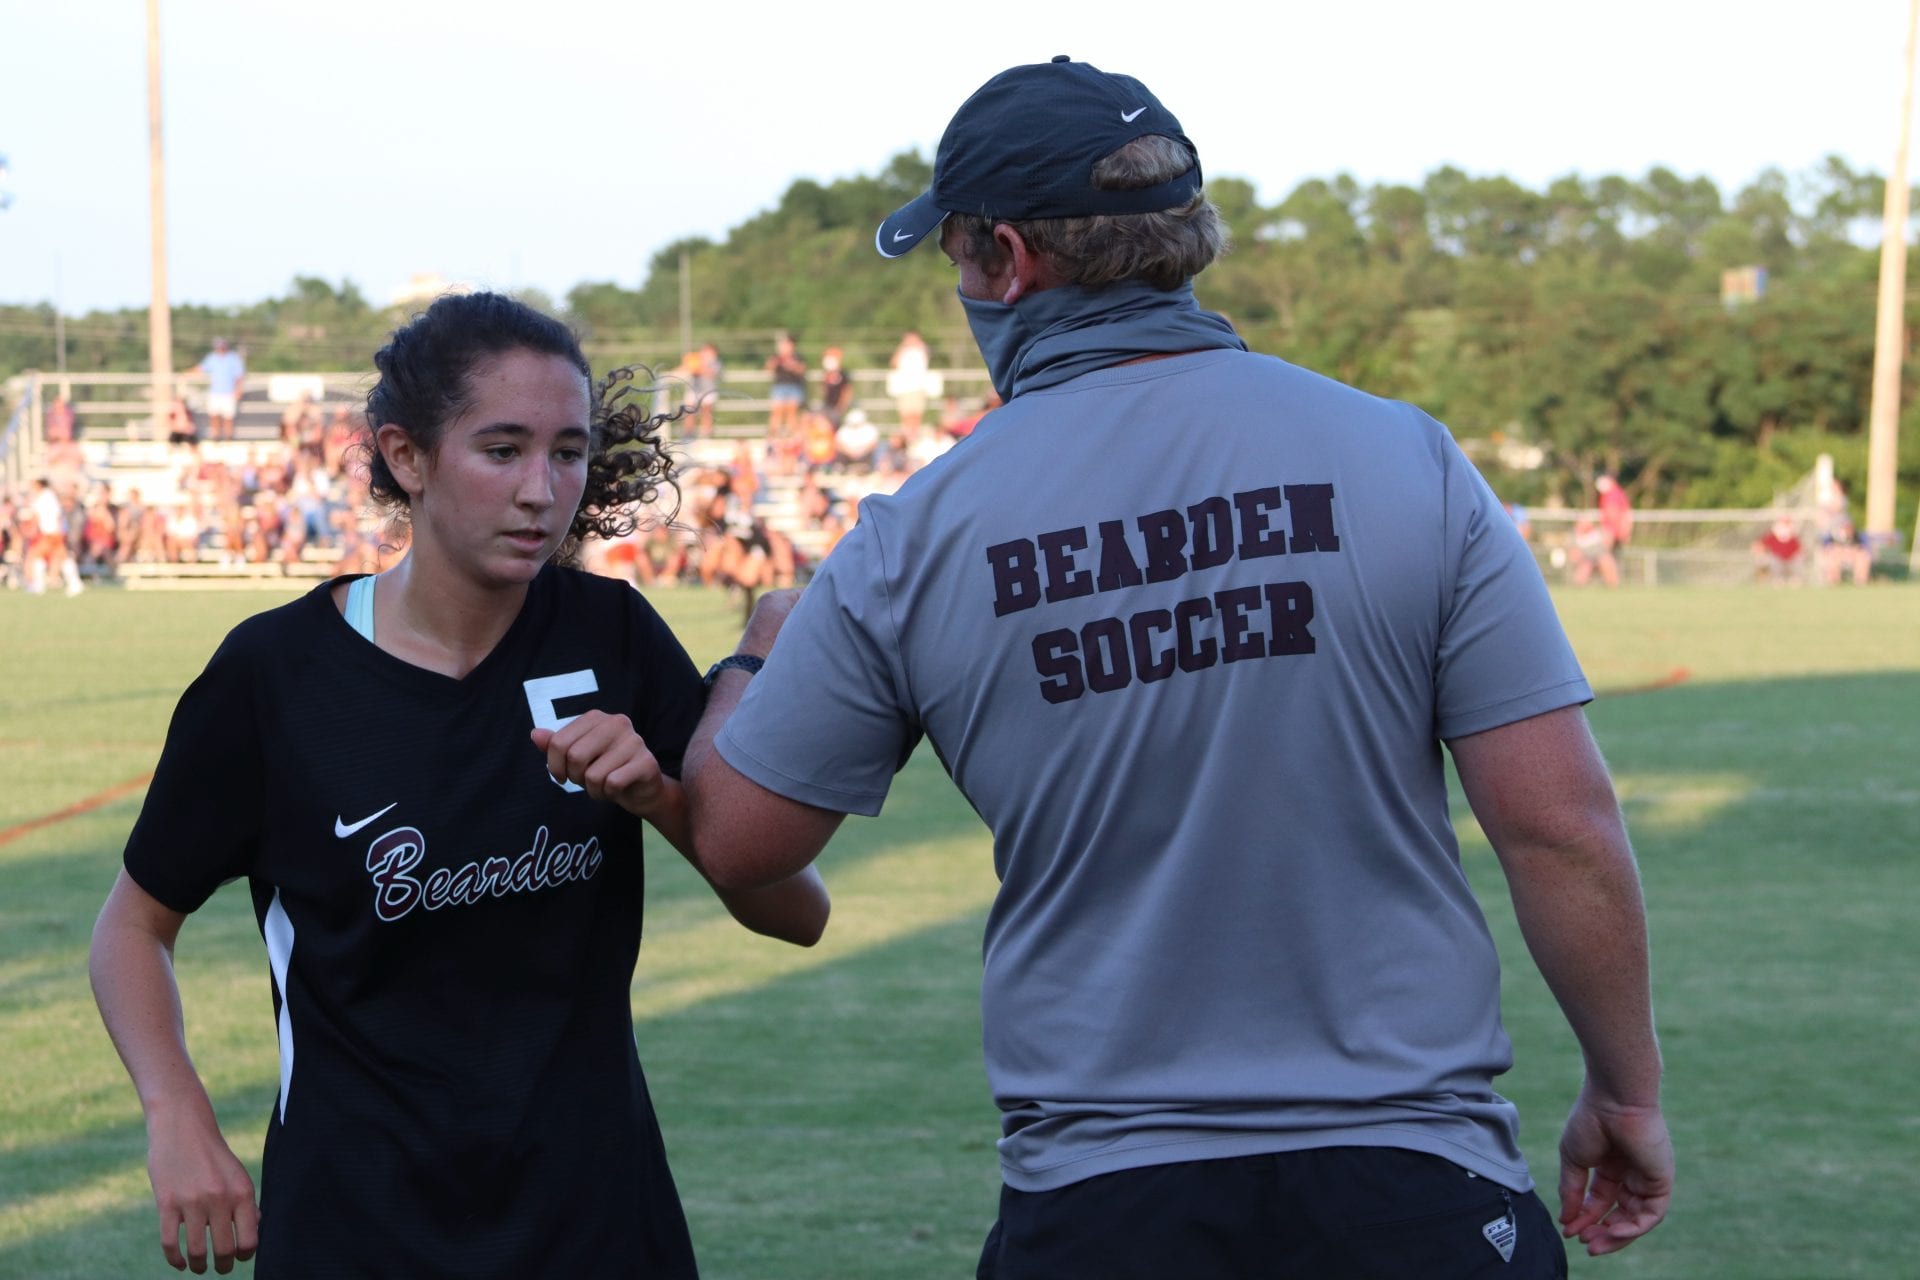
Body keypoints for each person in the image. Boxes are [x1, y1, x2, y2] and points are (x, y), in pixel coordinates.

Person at [681, 57, 1670, 1279]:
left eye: (954, 259)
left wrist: (754, 654)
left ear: (1007, 258)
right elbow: (1560, 823)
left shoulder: (919, 533)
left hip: (1105, 1197)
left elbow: (740, 840)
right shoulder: (1403, 457)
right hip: (1416, 1183)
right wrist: (1628, 1091)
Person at [88, 292, 828, 1277]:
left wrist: (660, 794)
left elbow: (796, 911)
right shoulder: (277, 676)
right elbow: (133, 925)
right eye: (503, 449)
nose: (542, 490)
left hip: (599, 1222)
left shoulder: (611, 637)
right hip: (354, 1225)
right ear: (407, 455)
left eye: (567, 452)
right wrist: (175, 1112)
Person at [196, 338, 246, 442]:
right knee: (214, 415)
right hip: (215, 392)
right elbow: (201, 369)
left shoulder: (233, 358)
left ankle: (228, 437)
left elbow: (240, 376)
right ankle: (216, 436)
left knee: (228, 417)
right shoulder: (212, 358)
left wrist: (239, 390)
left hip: (229, 393)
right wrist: (186, 374)